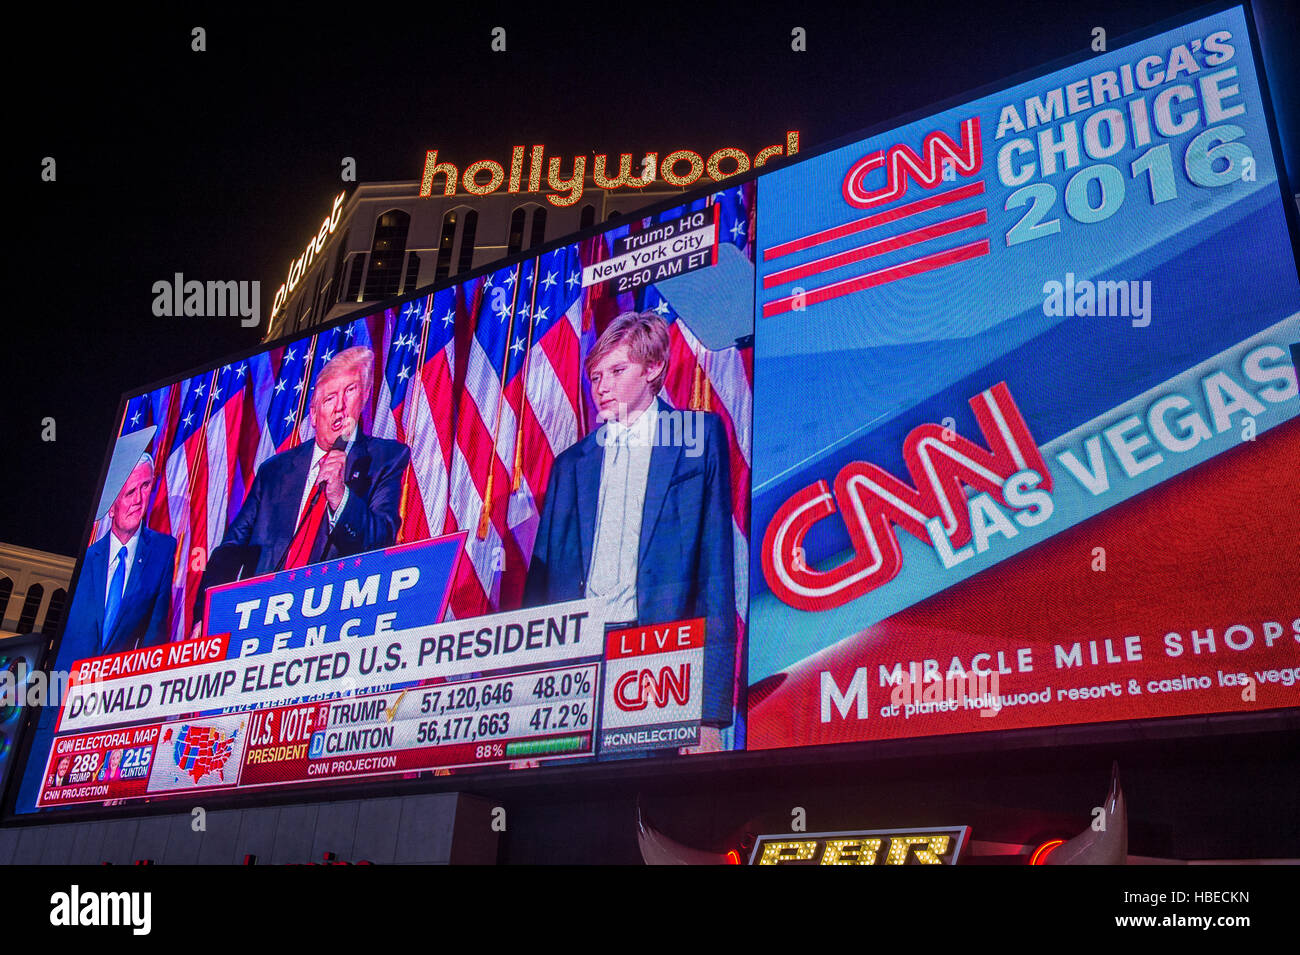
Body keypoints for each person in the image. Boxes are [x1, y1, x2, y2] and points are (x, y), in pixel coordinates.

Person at [524, 312, 736, 727]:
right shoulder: (570, 465)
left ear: (653, 367)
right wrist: (529, 712)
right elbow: (541, 595)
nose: (601, 387)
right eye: (595, 376)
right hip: (577, 663)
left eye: (616, 371)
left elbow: (715, 574)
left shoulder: (698, 438)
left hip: (660, 656)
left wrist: (708, 714)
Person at [195, 347, 411, 630]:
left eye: (350, 391)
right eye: (330, 398)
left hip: (332, 623)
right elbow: (231, 548)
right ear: (312, 414)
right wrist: (206, 615)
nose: (339, 407)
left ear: (365, 396)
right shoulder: (274, 471)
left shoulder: (386, 458)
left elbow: (381, 542)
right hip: (262, 622)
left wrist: (339, 497)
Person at [62, 430, 178, 663]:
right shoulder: (87, 560)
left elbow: (154, 639)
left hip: (117, 691)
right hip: (67, 686)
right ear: (111, 506)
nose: (138, 500)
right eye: (129, 492)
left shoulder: (162, 551)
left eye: (145, 486)